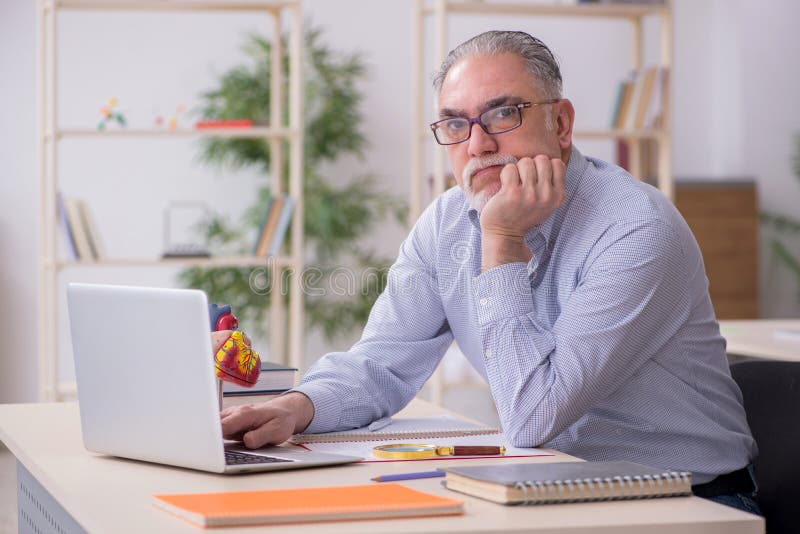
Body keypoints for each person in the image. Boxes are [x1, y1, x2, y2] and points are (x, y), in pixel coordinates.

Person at [216, 31, 759, 513]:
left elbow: (532, 415)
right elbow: (381, 363)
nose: (478, 145)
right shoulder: (447, 223)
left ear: (561, 123)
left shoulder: (636, 229)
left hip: (687, 504)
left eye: (503, 114)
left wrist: (501, 240)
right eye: (456, 123)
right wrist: (298, 406)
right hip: (544, 489)